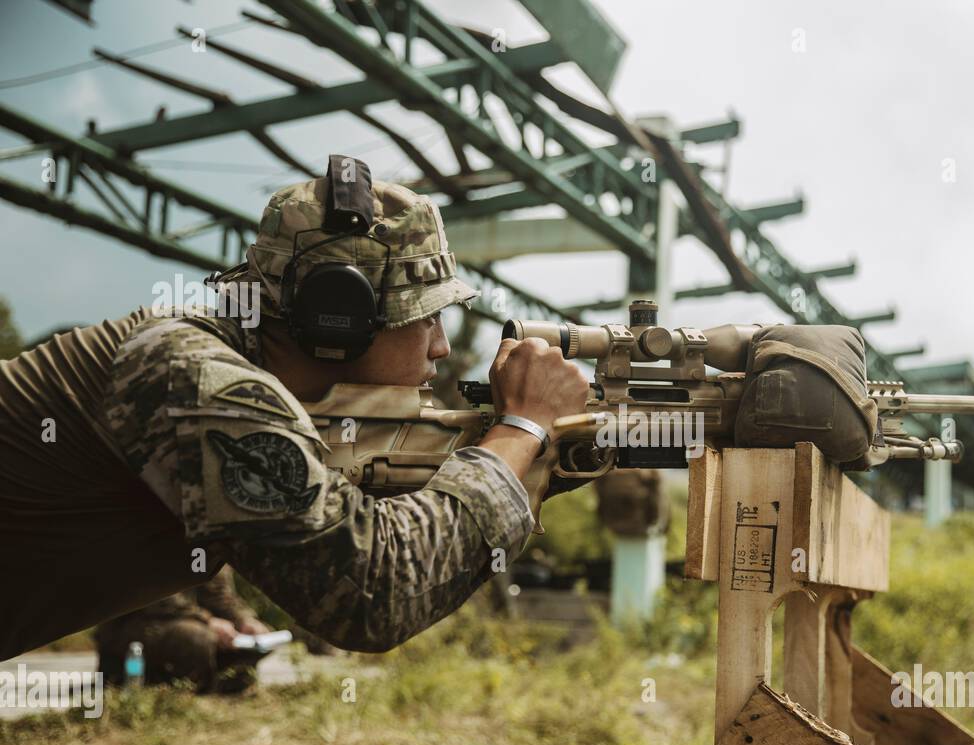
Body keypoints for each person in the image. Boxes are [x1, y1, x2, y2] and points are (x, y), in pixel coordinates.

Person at [0, 155, 588, 659]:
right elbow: (369, 592)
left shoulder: (240, 371)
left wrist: (541, 457)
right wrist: (522, 427)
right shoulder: (201, 378)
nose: (442, 344)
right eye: (424, 315)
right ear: (340, 315)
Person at [95, 567, 271, 694]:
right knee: (197, 636)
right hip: (135, 624)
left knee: (262, 637)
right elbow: (156, 596)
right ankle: (173, 688)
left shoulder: (206, 540)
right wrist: (208, 621)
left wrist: (244, 620)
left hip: (189, 621)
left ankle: (224, 685)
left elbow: (219, 594)